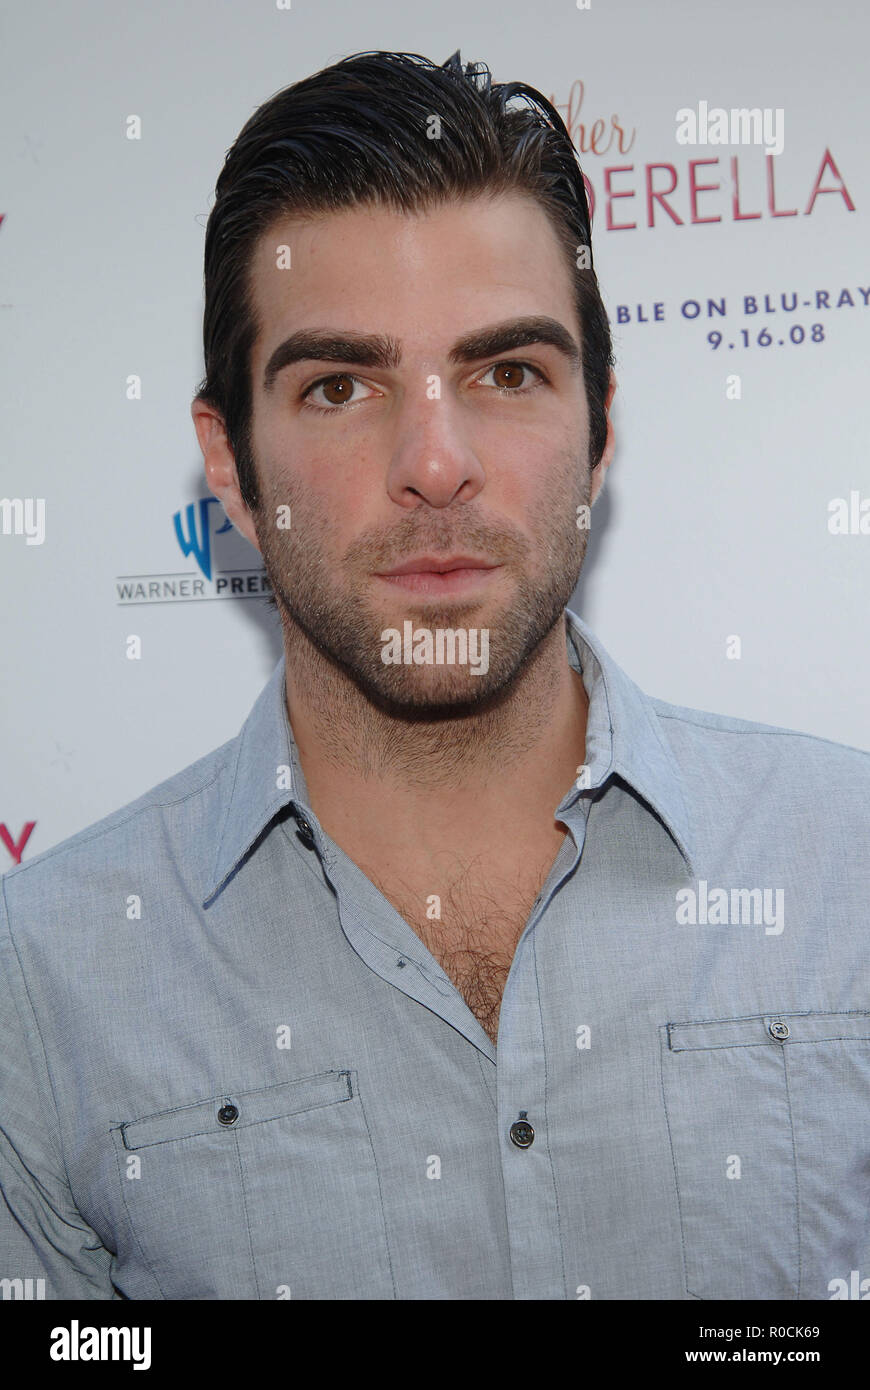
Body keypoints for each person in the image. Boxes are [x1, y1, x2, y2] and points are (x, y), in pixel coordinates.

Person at [1, 49, 868, 1303]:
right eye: (340, 386)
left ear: (602, 429)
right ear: (231, 468)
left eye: (506, 372)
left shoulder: (843, 869)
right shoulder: (45, 982)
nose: (435, 462)